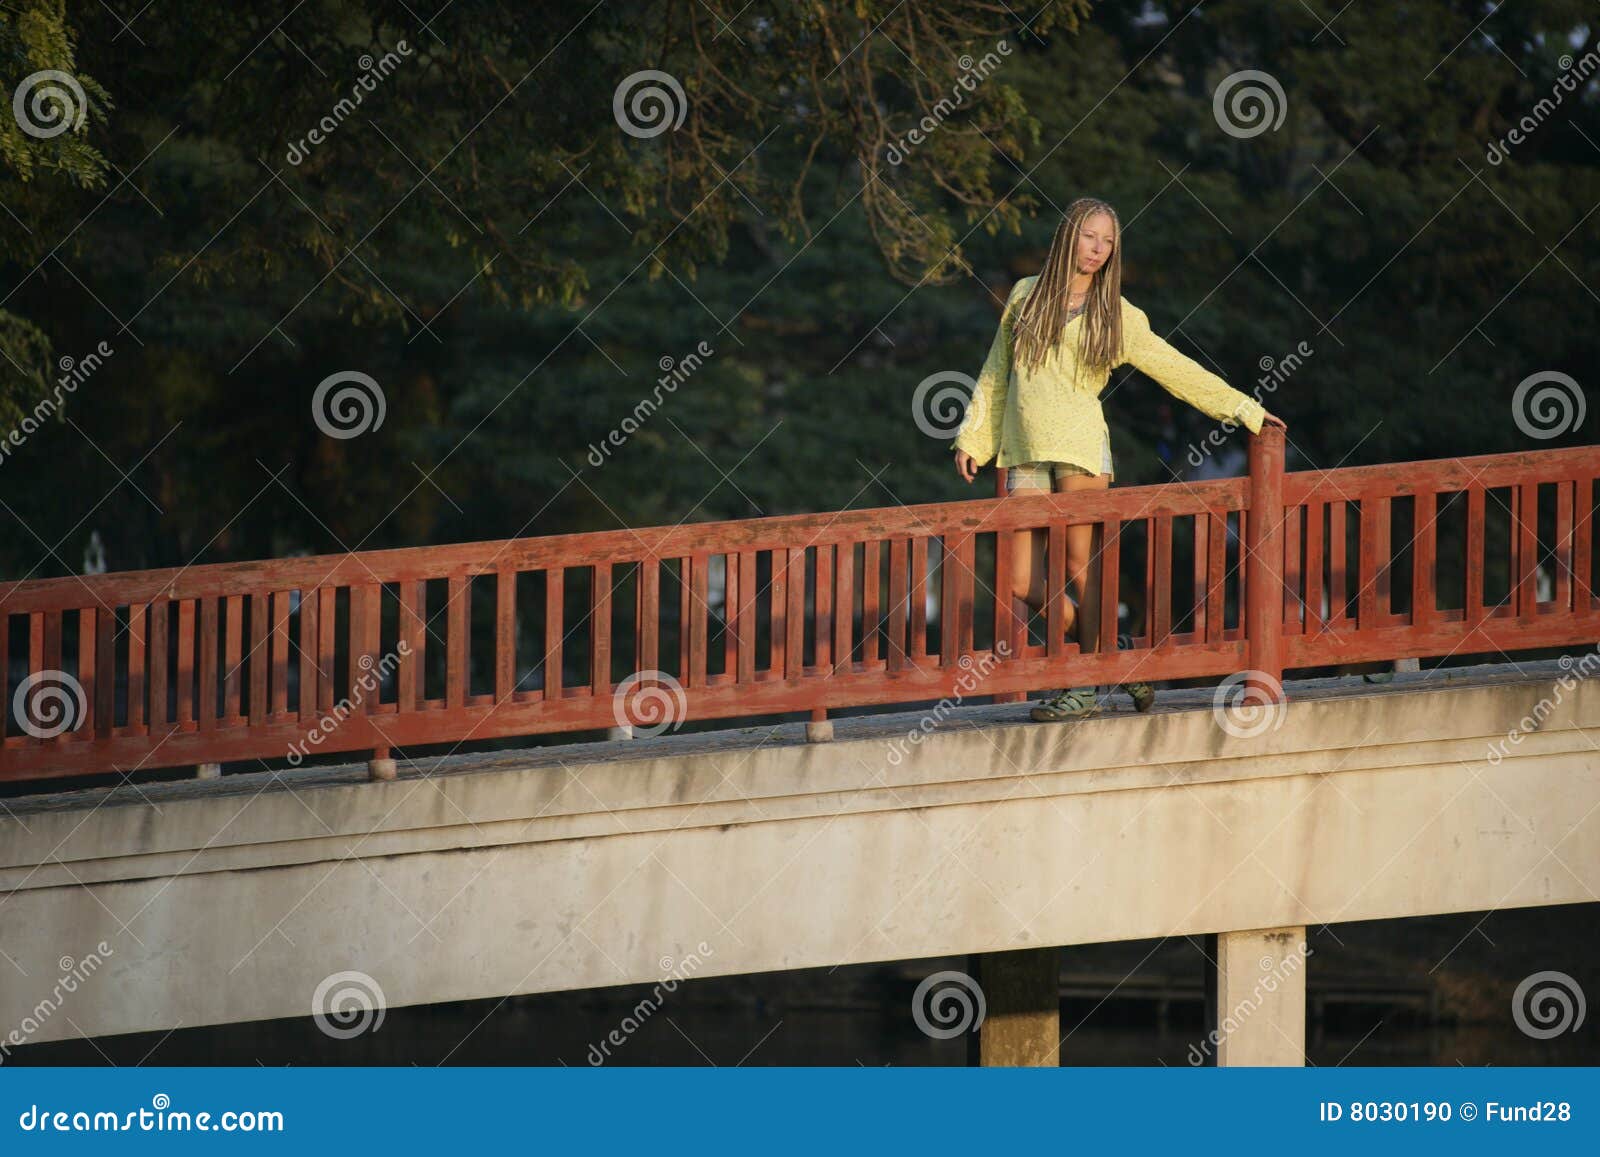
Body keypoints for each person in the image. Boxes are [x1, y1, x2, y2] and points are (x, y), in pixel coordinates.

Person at [952, 197, 1287, 722]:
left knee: (1078, 568)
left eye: (1108, 242)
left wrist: (1245, 408)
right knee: (1018, 580)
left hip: (1082, 451)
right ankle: (1121, 652)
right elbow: (998, 370)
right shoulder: (1025, 295)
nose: (1098, 250)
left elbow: (1174, 368)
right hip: (1023, 450)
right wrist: (973, 437)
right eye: (1090, 237)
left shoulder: (1119, 315)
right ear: (1069, 236)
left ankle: (1083, 685)